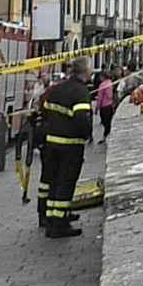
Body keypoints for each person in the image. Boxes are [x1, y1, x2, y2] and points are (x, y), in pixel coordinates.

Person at [36, 57, 94, 238]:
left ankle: (52, 217)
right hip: (70, 146)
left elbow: (44, 110)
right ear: (85, 72)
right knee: (66, 183)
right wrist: (87, 134)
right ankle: (59, 225)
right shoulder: (80, 92)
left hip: (52, 143)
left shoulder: (57, 88)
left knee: (54, 182)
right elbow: (81, 119)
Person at [95, 71, 117, 143]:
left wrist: (97, 108)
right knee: (108, 122)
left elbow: (100, 97)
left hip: (104, 106)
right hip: (109, 105)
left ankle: (106, 137)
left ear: (102, 77)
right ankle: (107, 136)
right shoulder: (110, 83)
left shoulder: (102, 85)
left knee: (105, 122)